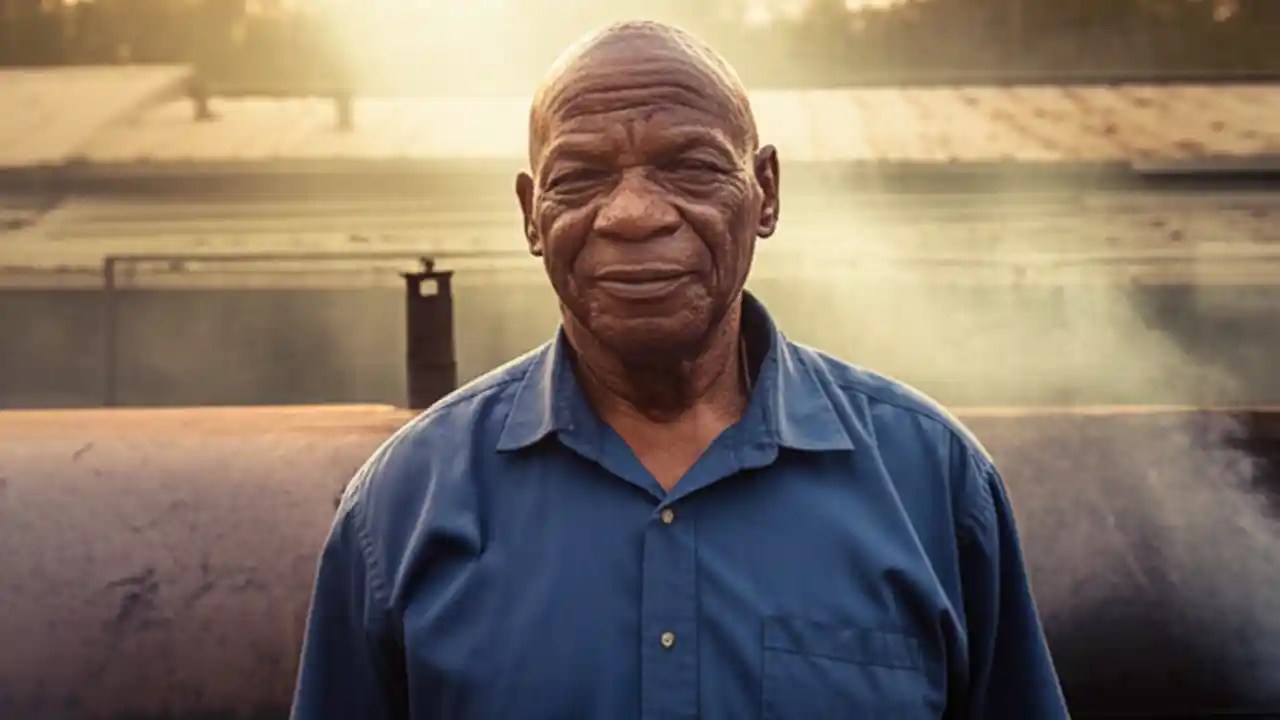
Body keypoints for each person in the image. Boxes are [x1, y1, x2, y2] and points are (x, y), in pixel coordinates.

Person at [291, 21, 1068, 720]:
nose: (632, 214)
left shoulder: (932, 482)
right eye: (582, 176)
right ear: (531, 213)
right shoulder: (402, 508)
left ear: (764, 192)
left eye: (689, 166)